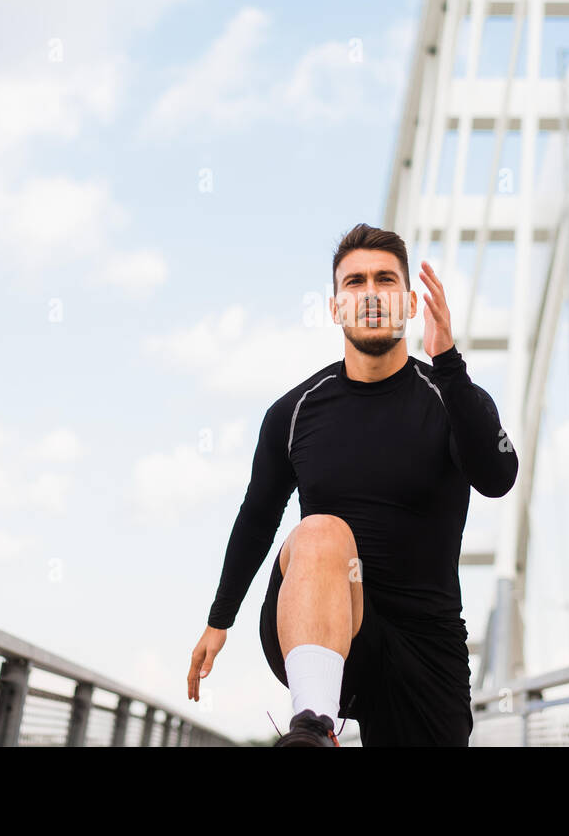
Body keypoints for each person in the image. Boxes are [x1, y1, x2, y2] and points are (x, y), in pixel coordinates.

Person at [187, 223, 518, 746]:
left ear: (410, 303)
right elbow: (257, 517)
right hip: (329, 622)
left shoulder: (449, 395)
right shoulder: (293, 413)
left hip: (426, 646)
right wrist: (217, 621)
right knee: (321, 533)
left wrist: (449, 361)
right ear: (335, 307)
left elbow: (498, 479)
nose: (369, 294)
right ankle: (313, 729)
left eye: (385, 280)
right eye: (354, 283)